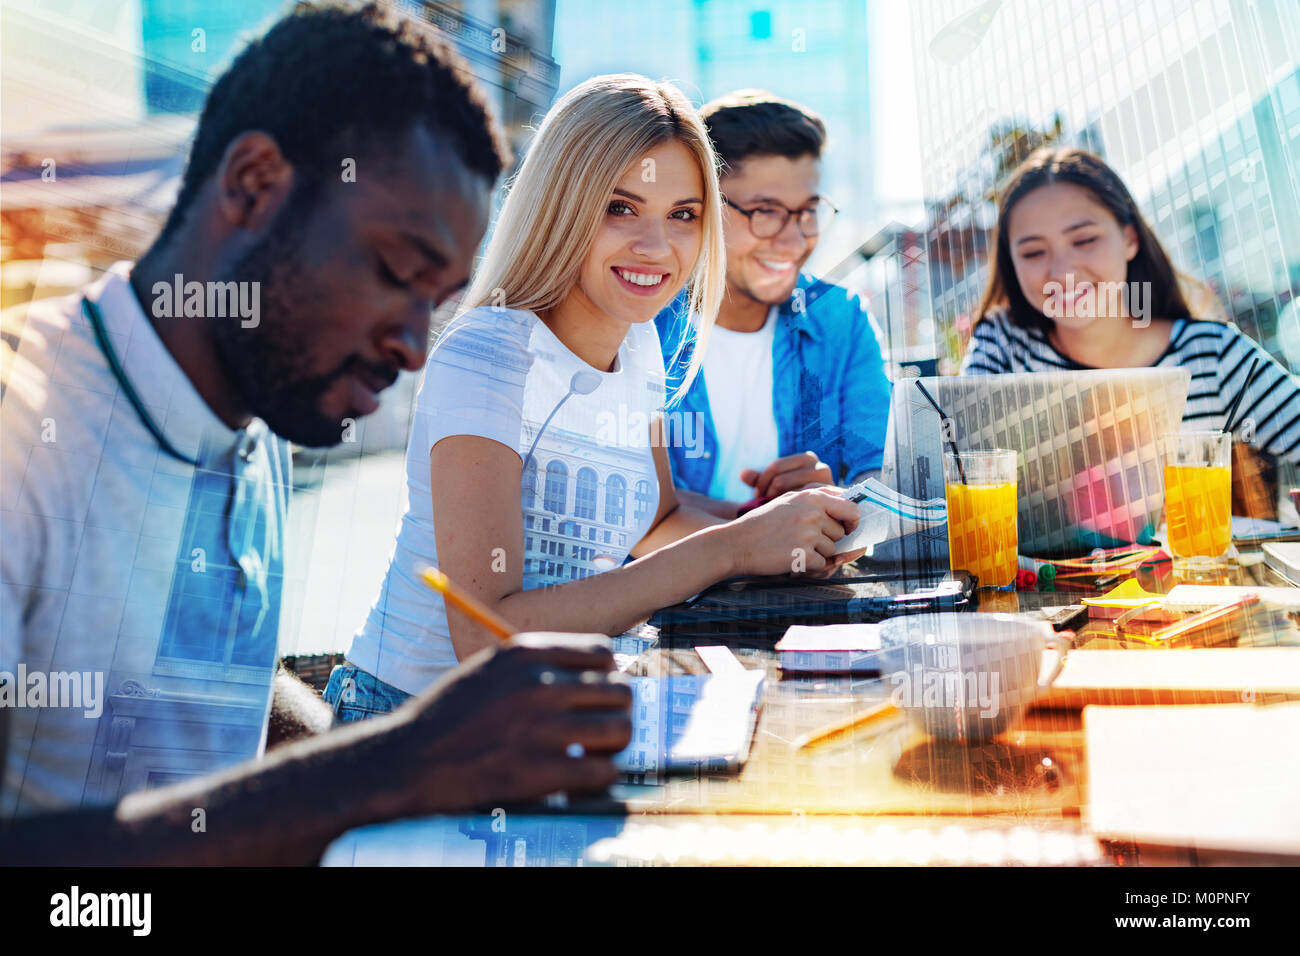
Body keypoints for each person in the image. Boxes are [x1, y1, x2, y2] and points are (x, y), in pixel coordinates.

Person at [0, 2, 631, 866]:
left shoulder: (252, 423)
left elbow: (211, 702)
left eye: (434, 302)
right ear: (255, 184)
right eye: (395, 273)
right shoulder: (21, 424)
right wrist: (401, 762)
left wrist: (449, 747)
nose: (413, 348)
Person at [329, 75, 862, 718]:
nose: (655, 246)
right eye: (620, 207)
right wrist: (735, 547)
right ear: (561, 204)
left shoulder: (643, 345)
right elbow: (486, 633)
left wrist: (784, 523)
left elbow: (659, 521)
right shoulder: (490, 354)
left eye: (683, 215)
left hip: (557, 716)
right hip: (413, 722)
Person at [961, 146, 1300, 464]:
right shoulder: (1003, 345)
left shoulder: (1212, 355)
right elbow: (957, 466)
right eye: (1033, 252)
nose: (1062, 273)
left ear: (1129, 239)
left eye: (1085, 240)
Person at [652, 91, 893, 519]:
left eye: (808, 211)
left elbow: (885, 474)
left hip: (807, 583)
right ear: (700, 205)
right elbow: (629, 500)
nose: (794, 241)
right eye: (765, 211)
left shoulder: (841, 321)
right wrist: (764, 531)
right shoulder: (641, 322)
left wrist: (840, 498)